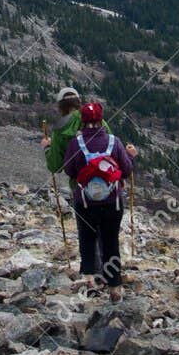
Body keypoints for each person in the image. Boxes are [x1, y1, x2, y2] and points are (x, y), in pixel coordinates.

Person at [59, 100, 134, 298]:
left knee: (87, 238)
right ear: (101, 120)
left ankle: (89, 280)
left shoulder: (76, 144)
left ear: (82, 121)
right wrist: (131, 156)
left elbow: (69, 170)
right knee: (111, 241)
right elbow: (126, 170)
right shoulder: (114, 142)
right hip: (112, 202)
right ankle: (114, 286)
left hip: (85, 202)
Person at [41, 86, 82, 174]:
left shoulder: (61, 128)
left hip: (80, 179)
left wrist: (47, 147)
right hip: (107, 177)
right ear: (79, 101)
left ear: (60, 106)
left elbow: (55, 166)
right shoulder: (98, 120)